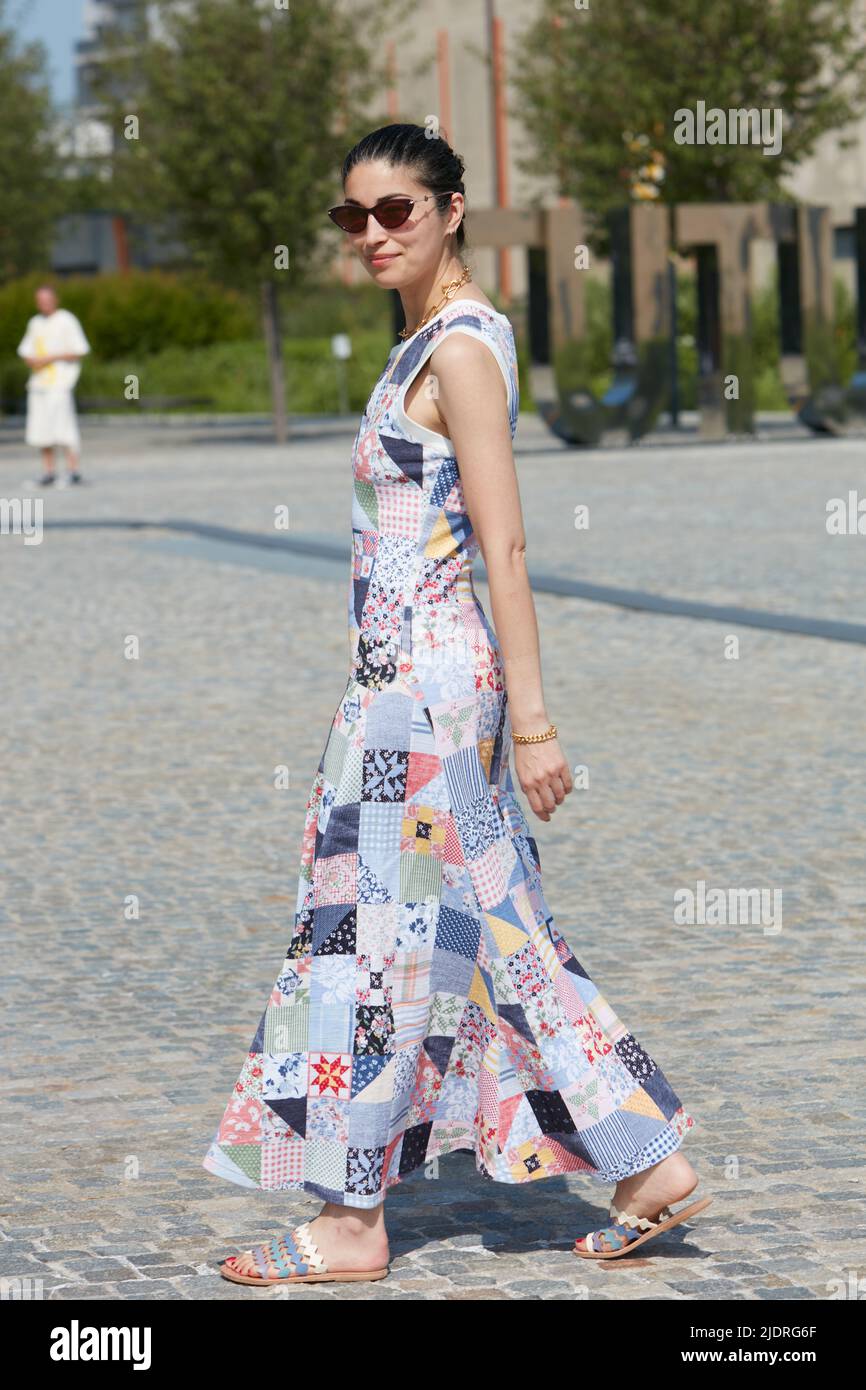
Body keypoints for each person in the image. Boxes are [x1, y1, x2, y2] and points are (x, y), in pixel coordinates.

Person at [205, 123, 710, 1285]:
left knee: (369, 944)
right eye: (352, 216)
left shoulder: (463, 352)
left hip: (428, 699)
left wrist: (531, 720)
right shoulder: (421, 343)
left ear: (450, 210)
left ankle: (348, 1223)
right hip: (399, 692)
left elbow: (508, 544)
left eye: (396, 212)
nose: (372, 233)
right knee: (490, 937)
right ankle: (645, 1167)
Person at [17, 285, 90, 486]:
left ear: (55, 299)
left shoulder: (66, 320)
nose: (44, 304)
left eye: (47, 300)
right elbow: (26, 351)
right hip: (39, 384)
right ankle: (48, 472)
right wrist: (33, 361)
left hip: (60, 383)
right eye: (40, 300)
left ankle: (73, 471)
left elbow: (79, 350)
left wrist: (50, 358)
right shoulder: (35, 323)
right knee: (42, 430)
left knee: (64, 428)